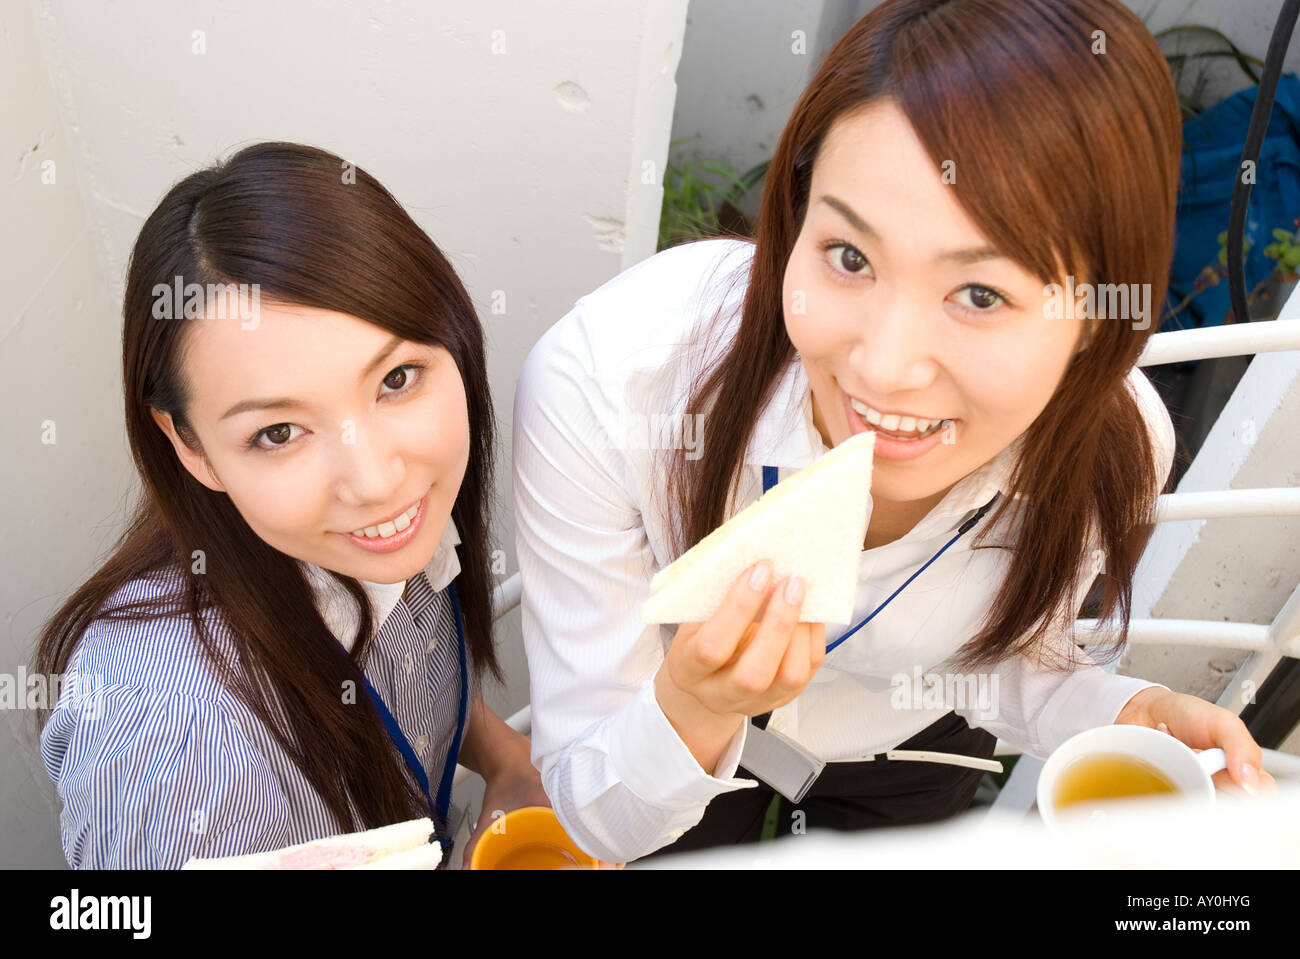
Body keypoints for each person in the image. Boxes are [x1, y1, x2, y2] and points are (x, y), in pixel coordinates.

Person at [512, 0, 1277, 864]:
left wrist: (1112, 713)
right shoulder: (611, 383)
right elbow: (591, 805)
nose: (881, 368)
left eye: (981, 295)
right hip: (670, 725)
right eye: (849, 255)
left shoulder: (1115, 450)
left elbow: (1005, 661)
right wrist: (695, 708)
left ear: (1095, 324)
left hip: (913, 733)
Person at [34, 142, 547, 869]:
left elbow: (406, 680)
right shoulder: (182, 755)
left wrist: (506, 759)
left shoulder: (382, 528)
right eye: (278, 432)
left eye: (397, 378)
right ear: (190, 445)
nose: (374, 479)